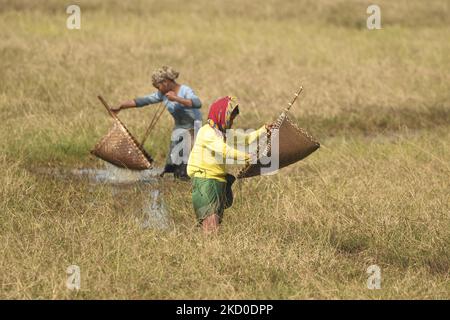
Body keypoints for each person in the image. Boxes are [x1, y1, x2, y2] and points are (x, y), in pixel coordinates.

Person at [187, 96, 272, 233]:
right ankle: (210, 253)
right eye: (230, 119)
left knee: (214, 224)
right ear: (220, 115)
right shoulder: (207, 132)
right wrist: (247, 157)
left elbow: (246, 139)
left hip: (218, 181)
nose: (232, 122)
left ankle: (210, 252)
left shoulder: (222, 133)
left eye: (232, 119)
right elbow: (224, 150)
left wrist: (263, 130)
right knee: (211, 225)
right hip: (205, 181)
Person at [111, 66, 202, 179]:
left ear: (166, 82)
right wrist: (121, 106)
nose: (158, 90)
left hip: (193, 127)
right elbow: (143, 101)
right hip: (179, 127)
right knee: (172, 160)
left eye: (158, 87)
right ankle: (176, 179)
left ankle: (185, 178)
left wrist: (177, 99)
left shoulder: (185, 90)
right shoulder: (162, 94)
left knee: (184, 157)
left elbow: (198, 103)